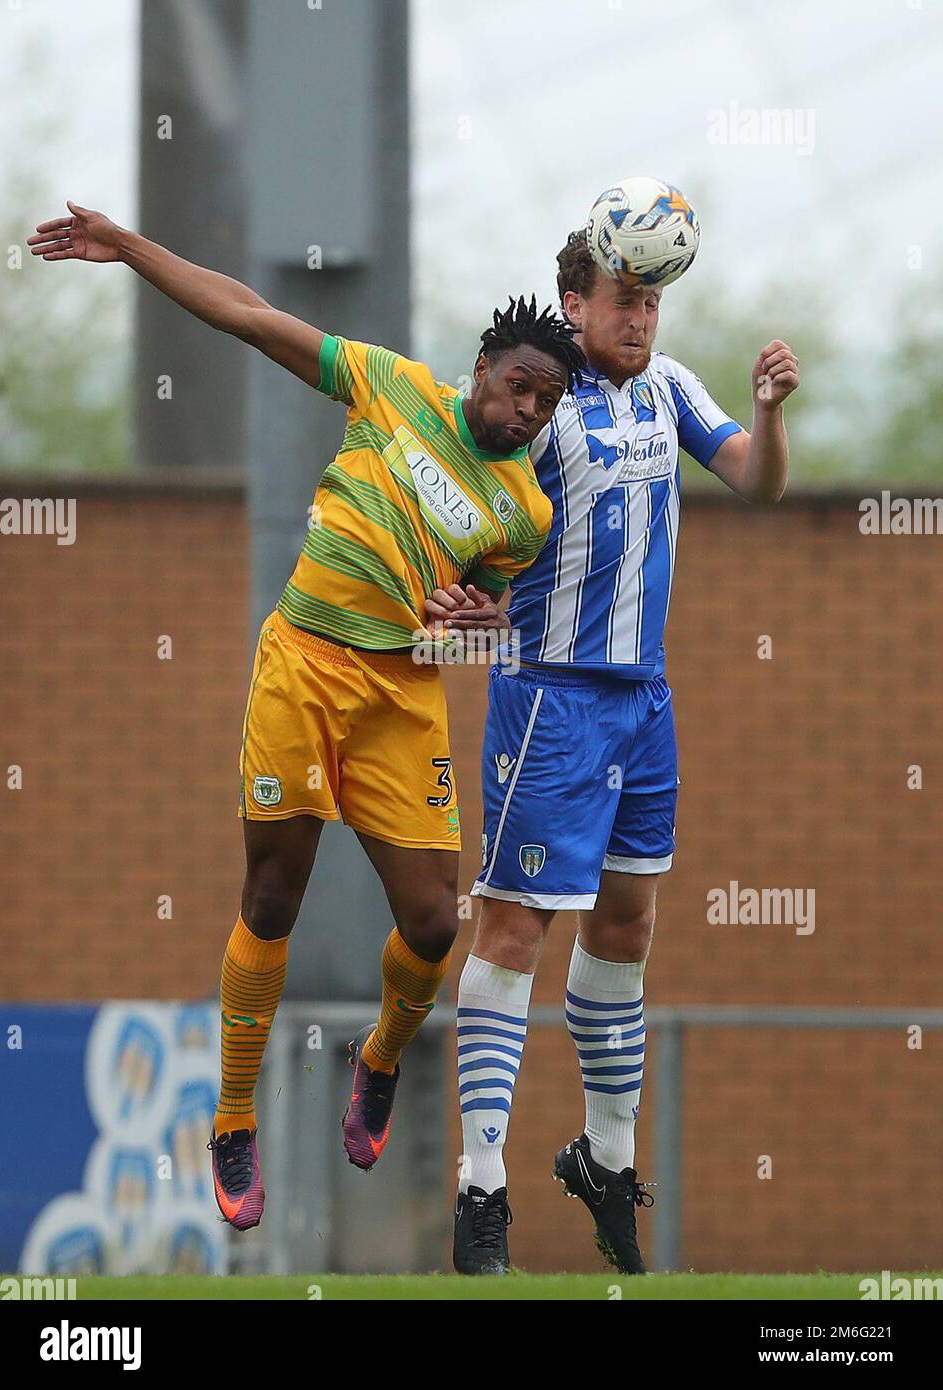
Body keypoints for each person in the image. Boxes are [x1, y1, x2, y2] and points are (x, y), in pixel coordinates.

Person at [28, 202, 586, 1232]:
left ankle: (375, 1062)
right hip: (300, 667)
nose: (526, 414)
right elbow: (247, 314)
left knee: (430, 920)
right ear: (479, 368)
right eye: (519, 387)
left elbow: (479, 636)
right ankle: (233, 1116)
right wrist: (133, 248)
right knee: (273, 895)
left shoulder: (523, 511)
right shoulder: (388, 384)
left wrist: (472, 622)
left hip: (396, 697)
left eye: (546, 405)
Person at [434, 223, 799, 1275]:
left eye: (650, 300)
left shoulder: (670, 388)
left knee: (627, 924)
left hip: (644, 703)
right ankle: (482, 1190)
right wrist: (464, 607)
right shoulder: (538, 407)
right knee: (512, 931)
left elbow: (759, 482)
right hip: (549, 702)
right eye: (619, 298)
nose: (637, 317)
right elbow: (479, 544)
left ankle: (603, 1159)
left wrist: (768, 415)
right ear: (575, 301)